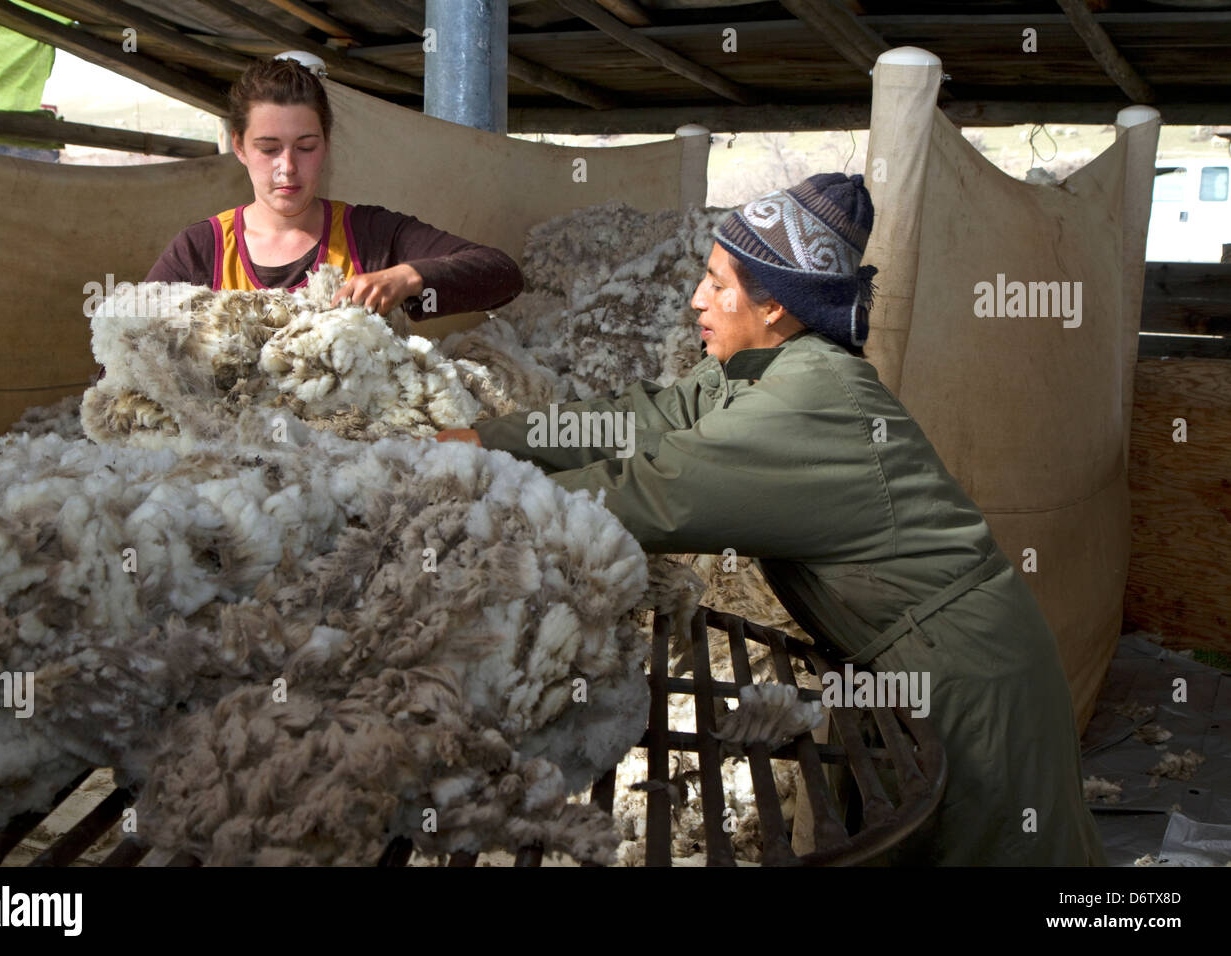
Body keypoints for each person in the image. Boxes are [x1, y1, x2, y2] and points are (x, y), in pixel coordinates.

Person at [437, 173, 1107, 866]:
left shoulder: (813, 399)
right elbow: (641, 419)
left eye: (719, 283)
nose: (697, 298)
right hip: (896, 660)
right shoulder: (753, 366)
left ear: (778, 305)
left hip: (969, 678)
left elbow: (657, 491)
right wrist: (492, 440)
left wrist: (487, 495)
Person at [145, 56, 524, 319]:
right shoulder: (201, 250)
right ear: (239, 146)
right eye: (269, 148)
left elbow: (501, 275)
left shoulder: (371, 235)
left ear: (326, 144)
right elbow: (123, 354)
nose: (288, 168)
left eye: (306, 147)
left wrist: (407, 278)